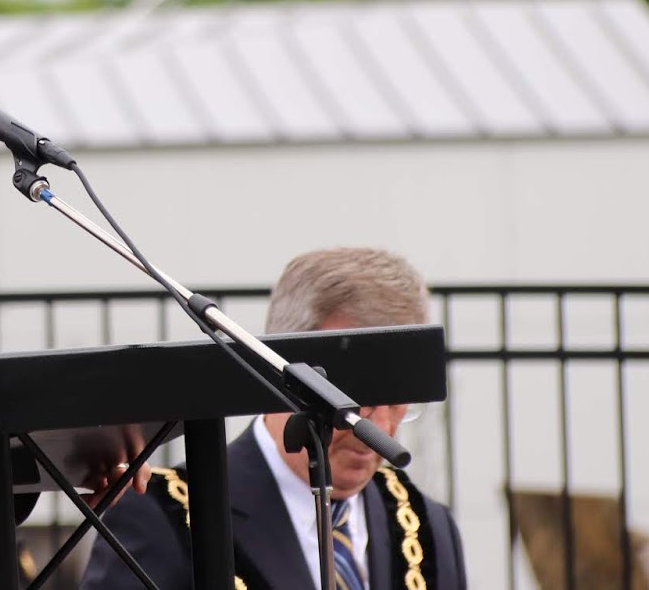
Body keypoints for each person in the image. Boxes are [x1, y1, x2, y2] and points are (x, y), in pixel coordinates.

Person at [81, 247, 468, 590]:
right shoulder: (164, 515)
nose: (380, 429)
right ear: (281, 370)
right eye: (359, 397)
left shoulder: (427, 525)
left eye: (399, 398)